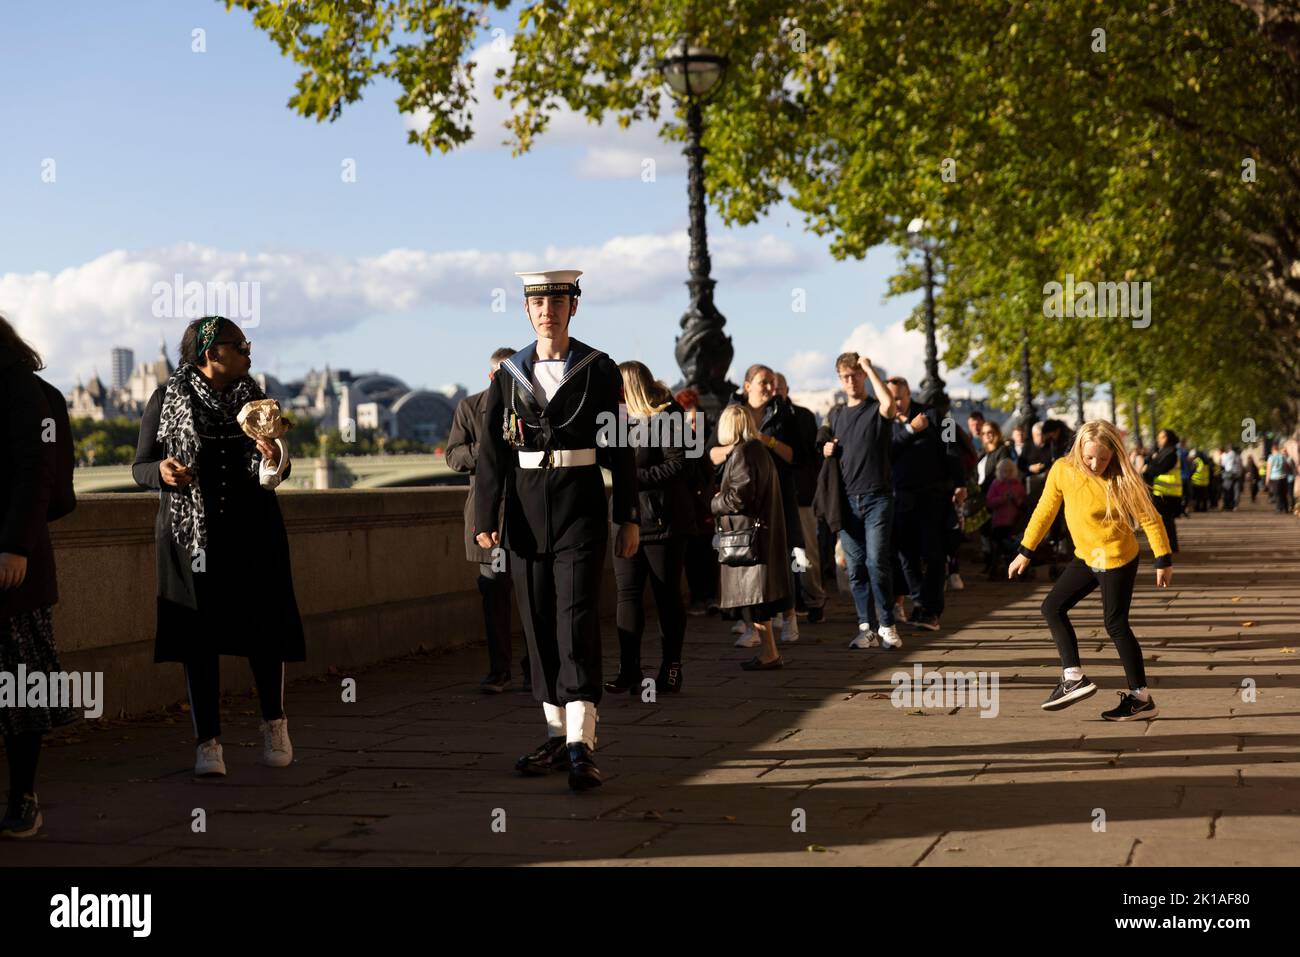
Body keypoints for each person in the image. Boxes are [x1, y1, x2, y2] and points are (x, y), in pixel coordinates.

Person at [474, 268, 639, 791]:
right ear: (527, 311)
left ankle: (581, 742)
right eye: (538, 303)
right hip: (523, 515)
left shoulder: (599, 369)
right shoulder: (509, 376)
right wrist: (485, 519)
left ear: (573, 307)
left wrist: (628, 514)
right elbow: (491, 457)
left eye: (558, 301)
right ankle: (554, 733)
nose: (548, 310)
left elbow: (620, 450)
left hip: (581, 510)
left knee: (576, 619)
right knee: (539, 622)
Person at [133, 317, 305, 777]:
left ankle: (275, 725)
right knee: (199, 639)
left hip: (253, 531)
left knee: (264, 630)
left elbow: (280, 471)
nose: (249, 351)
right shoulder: (167, 399)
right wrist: (163, 474)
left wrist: (275, 460)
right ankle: (207, 742)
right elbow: (140, 466)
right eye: (239, 345)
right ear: (212, 353)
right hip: (192, 537)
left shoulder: (259, 402)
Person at [1009, 420, 1172, 721]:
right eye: (1089, 458)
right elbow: (1045, 510)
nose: (1096, 464)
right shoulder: (1062, 470)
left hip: (1117, 558)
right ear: (1079, 449)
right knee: (1052, 607)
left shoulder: (1121, 478)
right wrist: (1025, 551)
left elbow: (1151, 519)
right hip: (1086, 556)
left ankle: (1141, 698)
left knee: (1115, 624)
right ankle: (1073, 678)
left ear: (1114, 456)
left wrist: (1162, 559)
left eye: (1103, 459)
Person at [0, 316, 80, 838]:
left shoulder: (24, 395)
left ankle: (23, 798)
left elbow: (40, 475)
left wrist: (14, 546)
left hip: (11, 565)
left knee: (20, 690)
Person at [604, 361, 694, 695]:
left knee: (666, 595)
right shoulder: (619, 420)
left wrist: (633, 479)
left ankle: (671, 668)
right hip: (626, 519)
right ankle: (629, 669)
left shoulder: (667, 416)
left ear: (630, 385)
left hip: (662, 521)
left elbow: (678, 465)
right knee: (626, 595)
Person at [446, 346, 529, 694]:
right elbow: (453, 456)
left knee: (530, 597)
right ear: (491, 376)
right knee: (494, 596)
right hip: (488, 517)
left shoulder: (532, 406)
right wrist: (492, 448)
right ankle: (499, 670)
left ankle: (533, 671)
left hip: (526, 515)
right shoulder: (469, 407)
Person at [708, 365, 809, 646]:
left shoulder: (783, 413)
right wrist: (739, 444)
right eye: (764, 382)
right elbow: (711, 454)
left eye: (772, 383)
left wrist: (766, 440)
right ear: (747, 384)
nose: (769, 388)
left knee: (784, 555)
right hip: (745, 502)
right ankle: (752, 623)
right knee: (746, 559)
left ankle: (788, 616)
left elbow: (796, 456)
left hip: (777, 497)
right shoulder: (732, 413)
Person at [813, 352, 902, 650]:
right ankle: (866, 626)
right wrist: (826, 449)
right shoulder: (836, 415)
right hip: (846, 501)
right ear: (840, 379)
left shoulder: (876, 409)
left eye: (856, 375)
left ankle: (887, 624)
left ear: (863, 376)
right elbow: (825, 442)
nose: (851, 381)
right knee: (856, 568)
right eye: (846, 376)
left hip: (877, 497)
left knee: (877, 561)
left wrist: (868, 367)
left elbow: (890, 405)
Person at [712, 405, 791, 671]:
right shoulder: (758, 450)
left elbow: (739, 497)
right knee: (759, 599)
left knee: (757, 598)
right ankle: (770, 652)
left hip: (749, 538)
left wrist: (715, 502)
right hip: (761, 536)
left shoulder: (744, 453)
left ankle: (770, 653)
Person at [887, 377, 963, 632]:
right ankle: (920, 602)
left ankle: (930, 610)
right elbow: (885, 454)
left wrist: (959, 483)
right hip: (901, 499)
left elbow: (953, 448)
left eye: (900, 397)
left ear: (909, 395)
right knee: (905, 556)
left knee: (934, 555)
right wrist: (910, 431)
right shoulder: (885, 422)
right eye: (891, 398)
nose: (896, 403)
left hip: (933, 497)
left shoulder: (938, 416)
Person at [775, 372, 827, 624]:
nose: (774, 392)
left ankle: (813, 598)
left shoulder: (801, 416)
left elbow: (806, 454)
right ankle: (789, 602)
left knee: (805, 552)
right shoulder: (761, 418)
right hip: (773, 496)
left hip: (800, 494)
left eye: (778, 387)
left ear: (787, 389)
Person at [1142, 428, 1182, 553]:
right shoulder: (1164, 451)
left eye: (1162, 437)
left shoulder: (1170, 453)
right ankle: (1169, 546)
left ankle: (1168, 547)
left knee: (1165, 521)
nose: (1159, 440)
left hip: (1167, 492)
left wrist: (1148, 468)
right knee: (1166, 521)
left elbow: (1160, 468)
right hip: (1163, 491)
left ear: (1169, 438)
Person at [985, 457, 1026, 575]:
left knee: (1013, 544)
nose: (1007, 473)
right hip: (999, 523)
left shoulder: (1018, 485)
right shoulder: (996, 484)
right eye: (1004, 470)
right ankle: (995, 568)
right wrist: (1002, 499)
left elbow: (1023, 502)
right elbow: (989, 502)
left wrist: (1016, 500)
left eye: (1009, 470)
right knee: (998, 546)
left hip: (1014, 523)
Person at [1267, 445, 1291, 513]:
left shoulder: (1271, 457)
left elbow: (1269, 469)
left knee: (1277, 494)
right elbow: (1286, 467)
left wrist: (1267, 479)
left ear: (1272, 450)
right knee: (1284, 493)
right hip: (1283, 477)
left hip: (1275, 478)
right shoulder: (1282, 457)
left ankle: (1278, 508)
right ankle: (1286, 508)